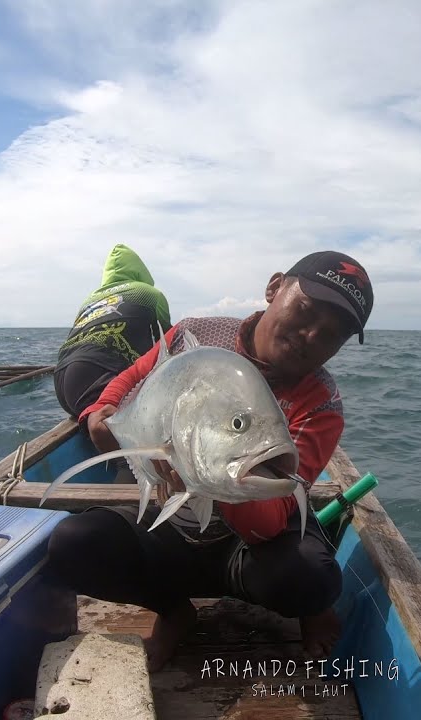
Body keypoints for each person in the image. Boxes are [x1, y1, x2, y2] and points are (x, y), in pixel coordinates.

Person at [46, 250, 374, 672]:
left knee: (312, 578)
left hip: (249, 547)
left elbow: (274, 516)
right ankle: (173, 609)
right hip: (172, 523)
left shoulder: (321, 402)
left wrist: (208, 478)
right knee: (74, 544)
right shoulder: (193, 334)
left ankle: (307, 608)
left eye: (331, 335)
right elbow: (134, 378)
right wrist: (101, 412)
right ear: (274, 287)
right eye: (306, 310)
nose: (310, 334)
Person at [53, 243, 172, 420]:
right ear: (141, 272)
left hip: (61, 383)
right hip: (99, 377)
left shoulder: (89, 300)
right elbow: (170, 342)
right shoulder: (151, 294)